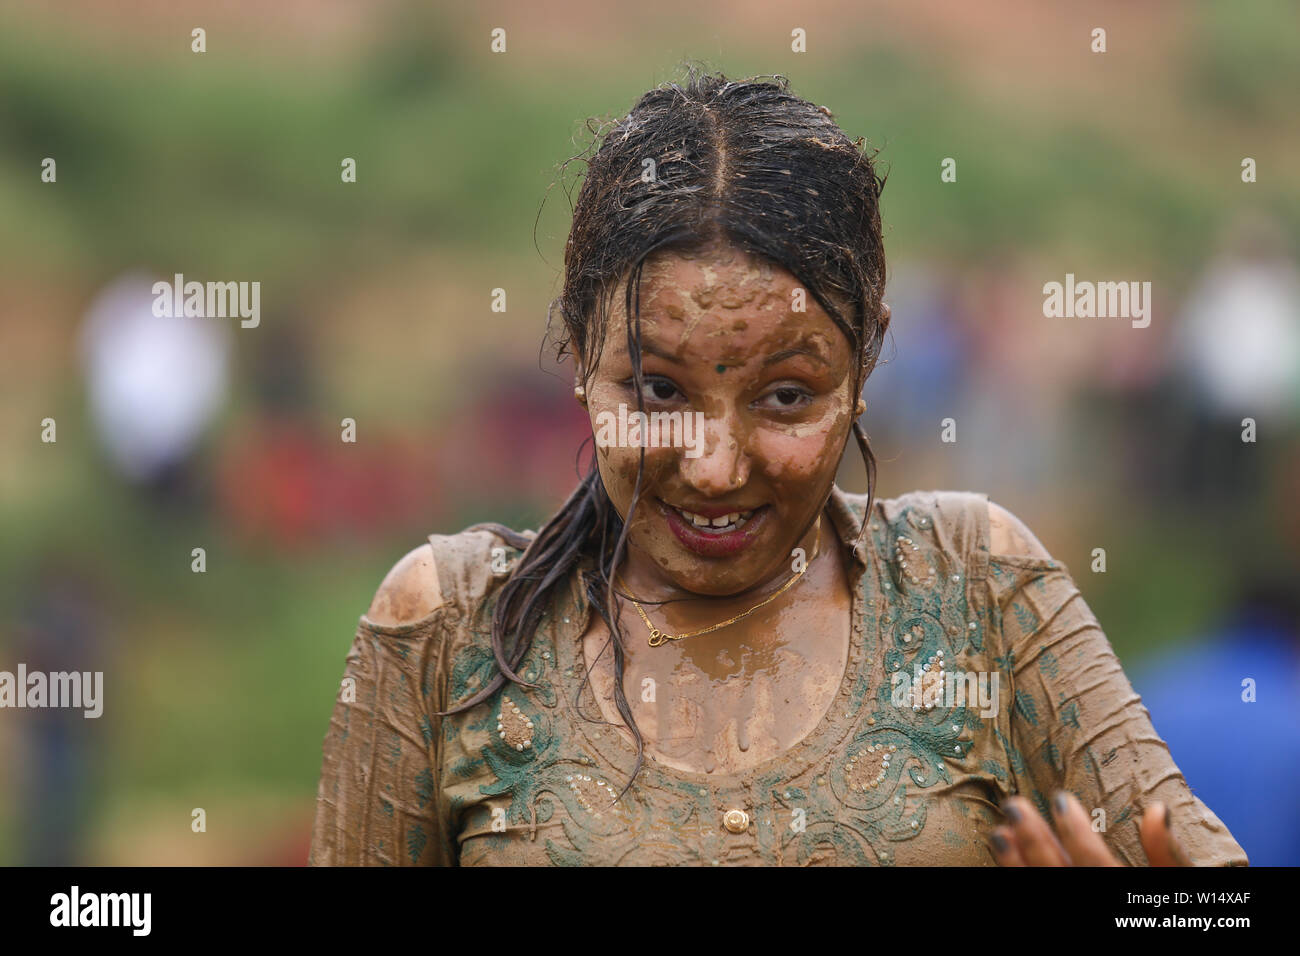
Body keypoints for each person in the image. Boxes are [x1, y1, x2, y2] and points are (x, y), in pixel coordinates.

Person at [308, 69, 1246, 867]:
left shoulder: (978, 592)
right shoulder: (447, 631)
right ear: (579, 354)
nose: (714, 470)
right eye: (657, 392)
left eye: (787, 396)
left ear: (865, 363)